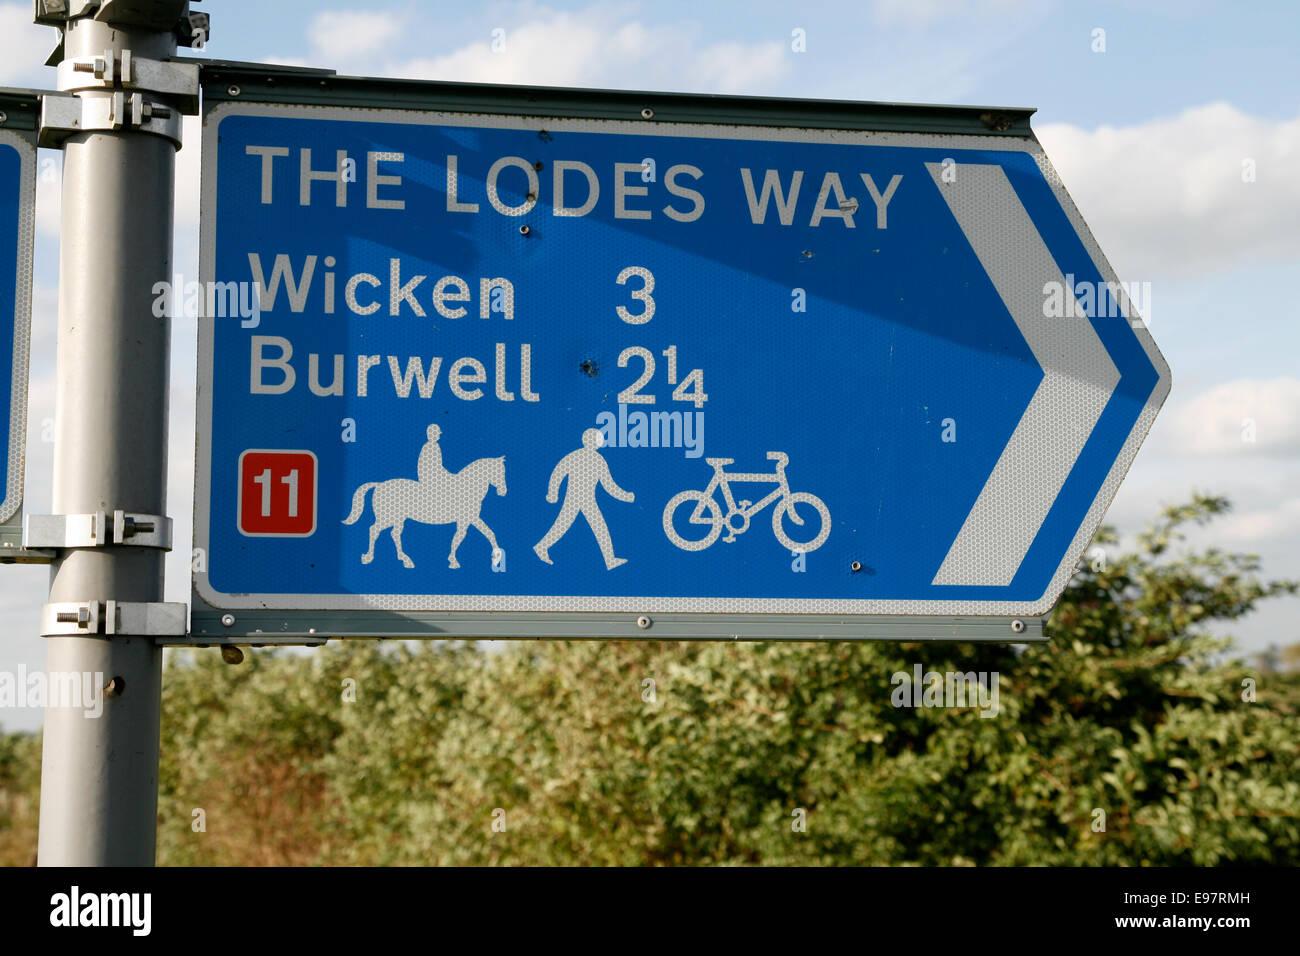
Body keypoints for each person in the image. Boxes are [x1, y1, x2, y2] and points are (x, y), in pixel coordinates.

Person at [535, 428, 634, 570]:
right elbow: (559, 472)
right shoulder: (584, 458)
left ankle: (610, 560)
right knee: (566, 526)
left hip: (586, 500)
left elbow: (609, 485)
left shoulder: (595, 459)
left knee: (594, 526)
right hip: (576, 498)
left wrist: (625, 496)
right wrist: (552, 494)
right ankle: (541, 547)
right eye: (598, 439)